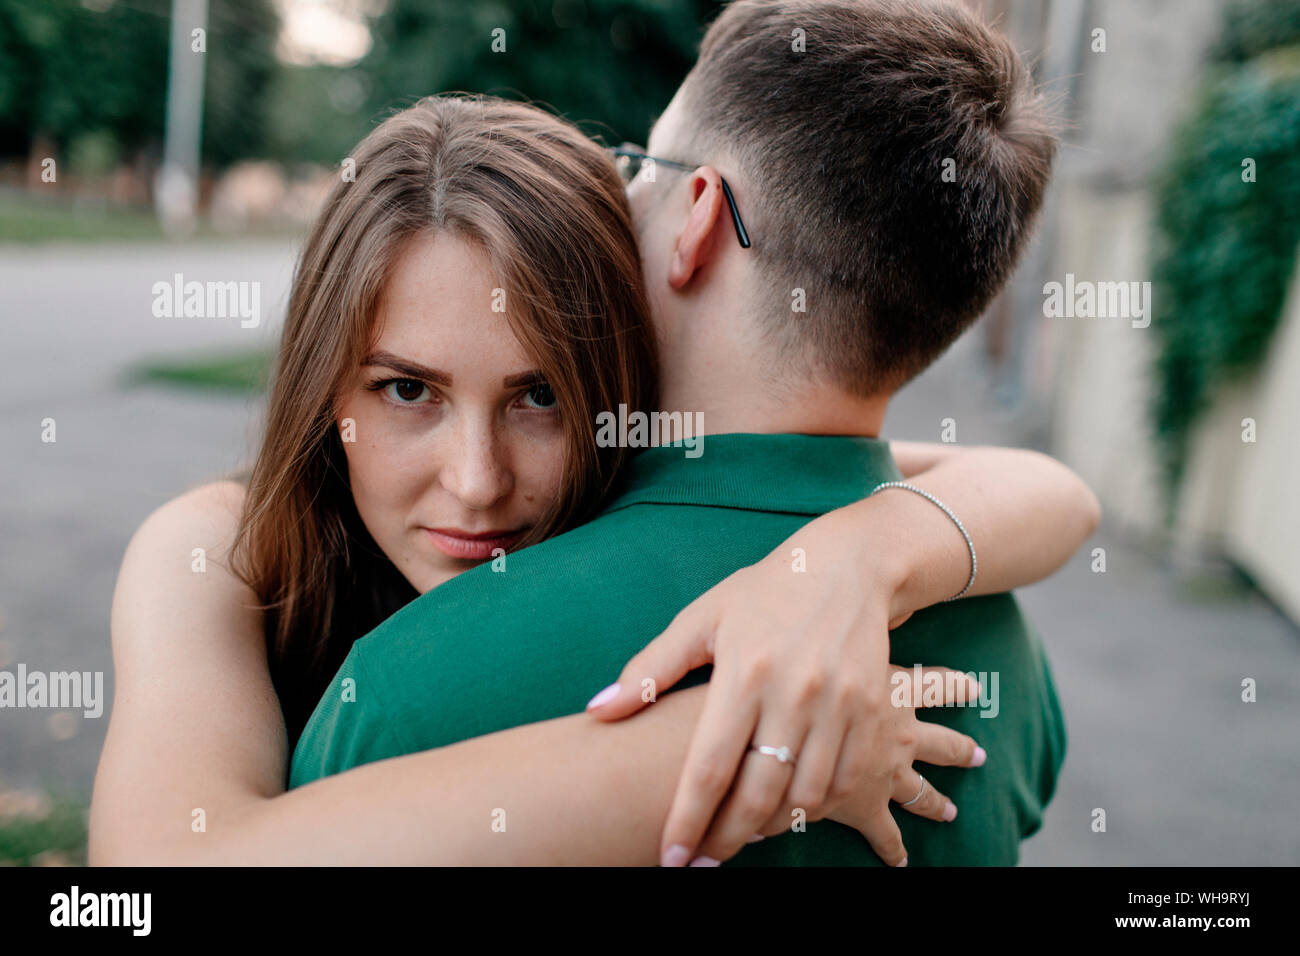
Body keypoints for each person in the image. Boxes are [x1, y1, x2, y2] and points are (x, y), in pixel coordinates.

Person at [91, 4, 1094, 867]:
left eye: (544, 397)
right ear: (323, 385)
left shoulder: (413, 692)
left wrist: (863, 559)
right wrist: (752, 739)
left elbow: (1039, 490)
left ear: (696, 219)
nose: (478, 482)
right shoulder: (208, 555)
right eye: (406, 389)